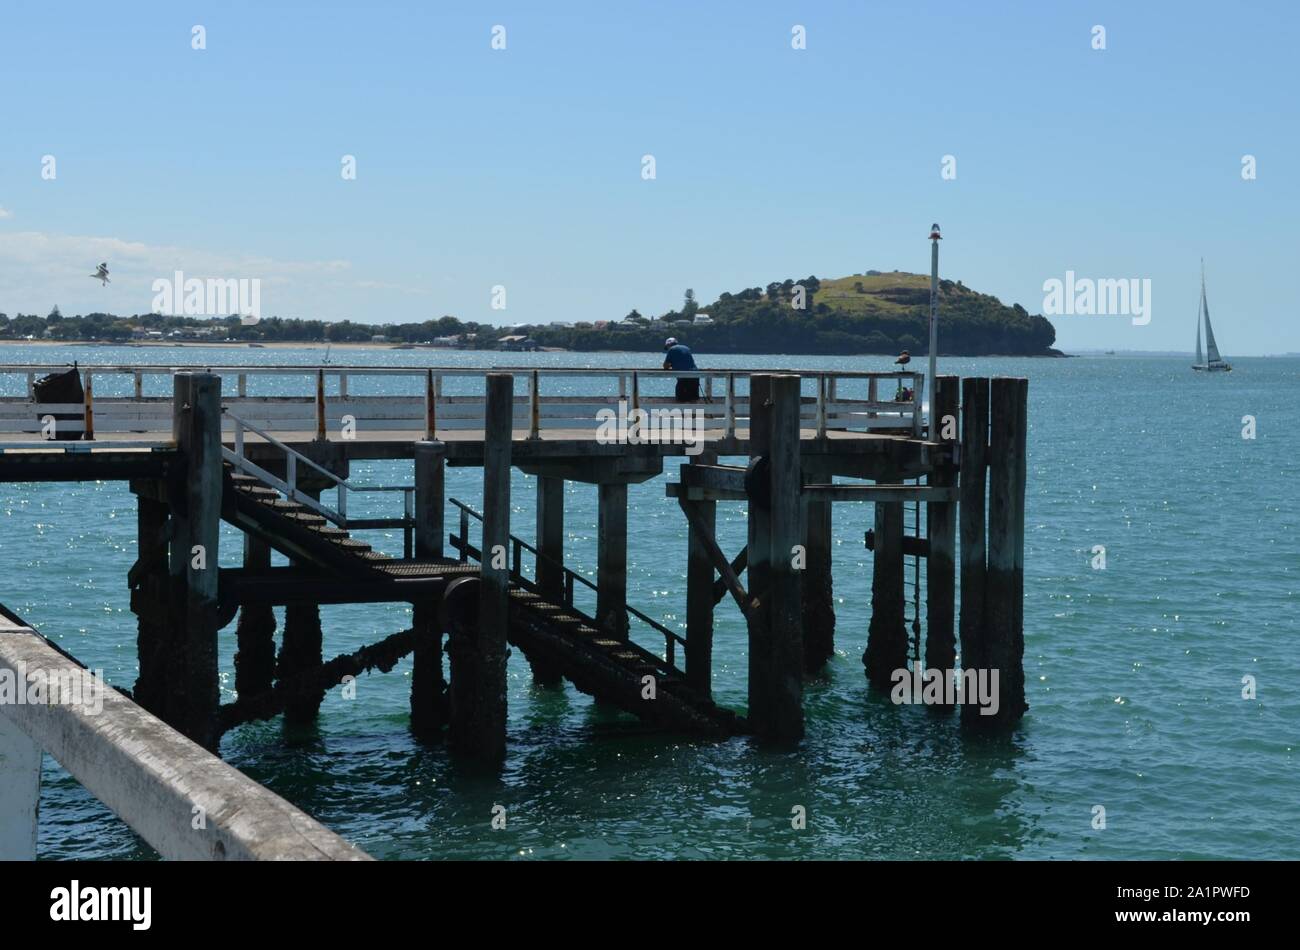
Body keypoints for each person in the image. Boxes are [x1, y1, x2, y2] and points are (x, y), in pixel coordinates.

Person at [663, 337, 699, 402]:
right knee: (693, 400)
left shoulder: (671, 349)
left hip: (684, 377)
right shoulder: (686, 348)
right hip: (695, 375)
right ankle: (694, 412)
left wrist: (671, 364)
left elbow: (666, 366)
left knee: (680, 399)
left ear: (668, 345)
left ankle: (683, 411)